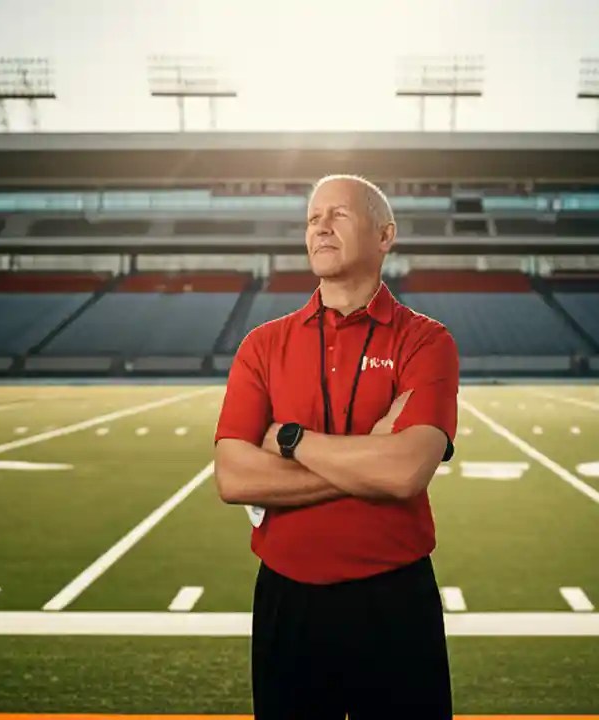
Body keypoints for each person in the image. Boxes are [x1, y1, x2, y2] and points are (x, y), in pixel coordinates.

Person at [213, 174, 459, 719]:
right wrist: (364, 456)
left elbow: (404, 474)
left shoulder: (427, 341)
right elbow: (234, 477)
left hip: (394, 600)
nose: (320, 227)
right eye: (312, 218)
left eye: (339, 215)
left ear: (385, 235)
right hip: (287, 599)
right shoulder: (263, 344)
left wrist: (290, 440)